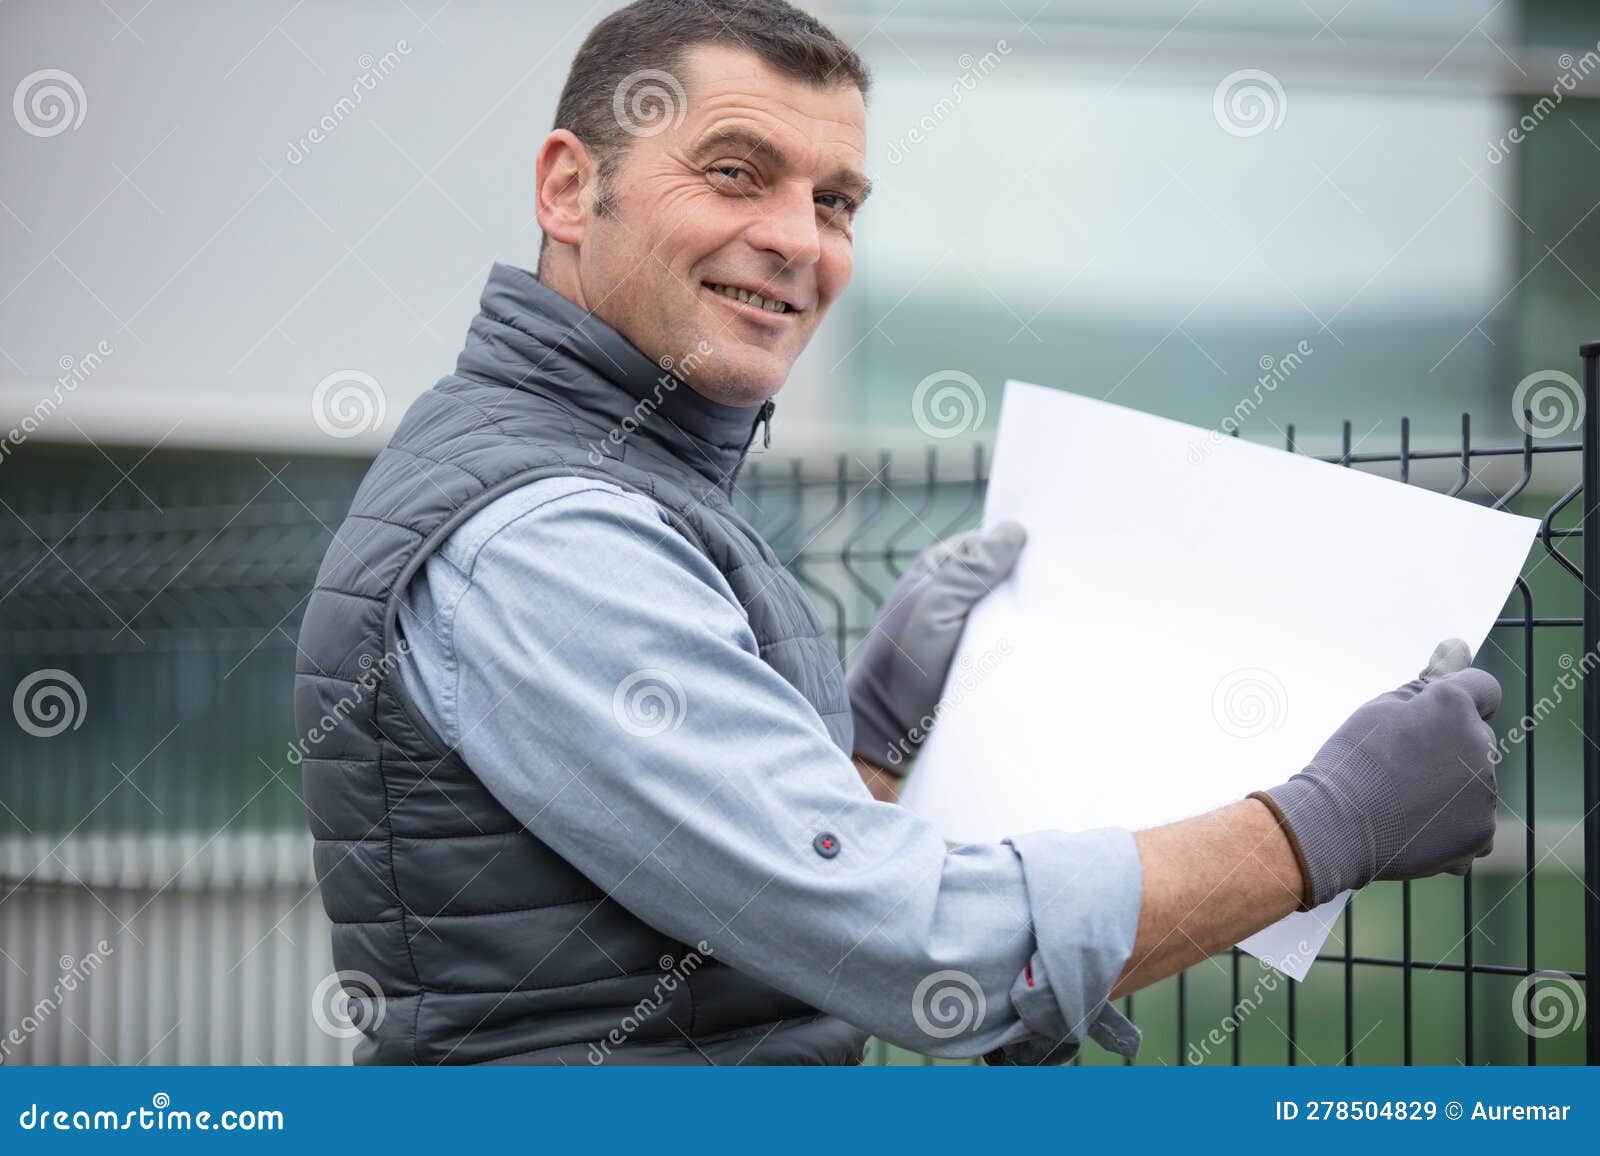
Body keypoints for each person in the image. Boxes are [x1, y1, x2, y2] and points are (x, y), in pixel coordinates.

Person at [295, 0, 1501, 1065]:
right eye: (735, 172)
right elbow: (919, 950)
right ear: (569, 187)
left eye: (833, 202)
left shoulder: (617, 470)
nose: (797, 240)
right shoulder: (552, 538)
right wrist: (1321, 824)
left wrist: (869, 746)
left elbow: (735, 917)